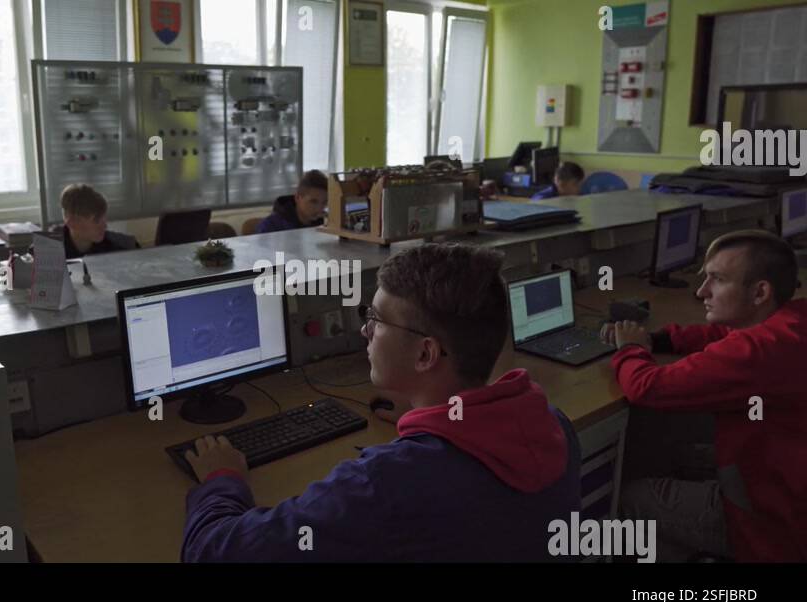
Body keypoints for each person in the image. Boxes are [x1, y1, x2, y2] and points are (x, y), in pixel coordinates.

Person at [180, 243, 581, 562]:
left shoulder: (385, 484)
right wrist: (433, 427)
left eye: (376, 318)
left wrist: (221, 481)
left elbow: (214, 552)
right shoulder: (552, 423)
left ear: (425, 355)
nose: (364, 331)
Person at [601, 230, 807, 562]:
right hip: (782, 479)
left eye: (717, 280)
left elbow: (647, 388)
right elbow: (726, 333)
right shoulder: (791, 320)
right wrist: (661, 340)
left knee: (634, 496)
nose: (700, 292)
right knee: (675, 452)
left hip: (772, 526)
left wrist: (629, 349)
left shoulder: (755, 353)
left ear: (759, 292)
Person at [57, 183, 138, 258]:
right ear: (72, 223)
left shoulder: (122, 245)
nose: (105, 226)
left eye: (104, 218)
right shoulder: (50, 249)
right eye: (96, 220)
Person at [256, 170, 328, 233]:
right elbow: (270, 249)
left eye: (324, 202)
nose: (320, 208)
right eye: (313, 202)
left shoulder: (325, 225)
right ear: (297, 198)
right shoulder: (271, 226)